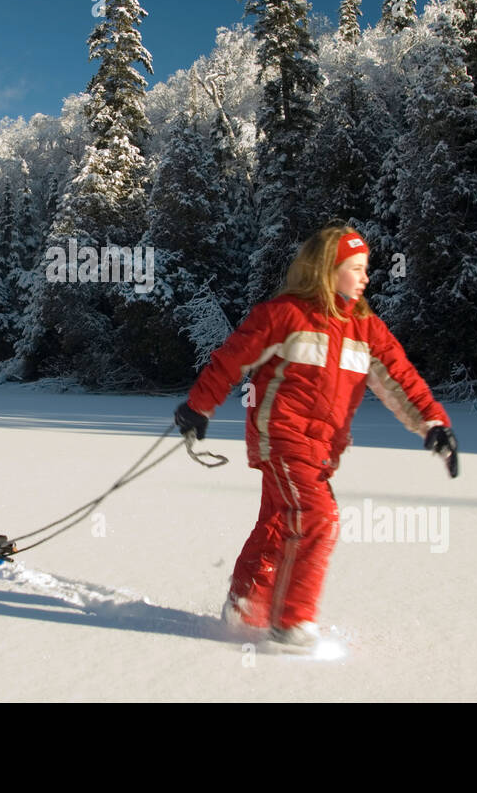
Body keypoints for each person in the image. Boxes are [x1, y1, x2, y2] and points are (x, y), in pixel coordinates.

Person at [174, 226, 459, 648]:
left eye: (367, 269)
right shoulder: (285, 314)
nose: (365, 277)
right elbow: (231, 358)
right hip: (282, 436)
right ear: (328, 269)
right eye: (356, 268)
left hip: (323, 448)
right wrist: (200, 405)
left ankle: (245, 607)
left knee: (278, 522)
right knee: (317, 519)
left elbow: (401, 379)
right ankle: (292, 622)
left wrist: (433, 423)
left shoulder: (366, 328)